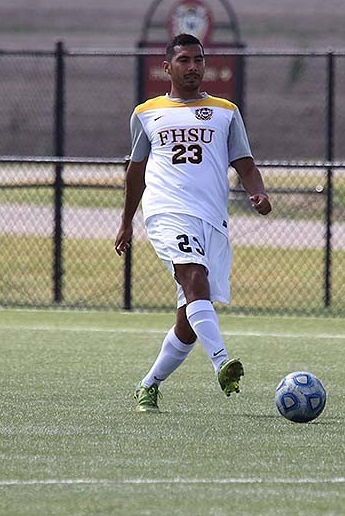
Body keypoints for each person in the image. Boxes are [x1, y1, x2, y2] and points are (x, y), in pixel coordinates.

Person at [116, 33, 271, 413]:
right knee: (194, 277)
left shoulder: (226, 111)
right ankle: (222, 362)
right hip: (166, 210)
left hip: (212, 219)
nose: (193, 67)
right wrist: (126, 222)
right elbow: (135, 173)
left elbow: (245, 164)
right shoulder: (146, 113)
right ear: (167, 67)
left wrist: (258, 192)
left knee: (189, 316)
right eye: (184, 60)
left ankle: (148, 385)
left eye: (198, 60)